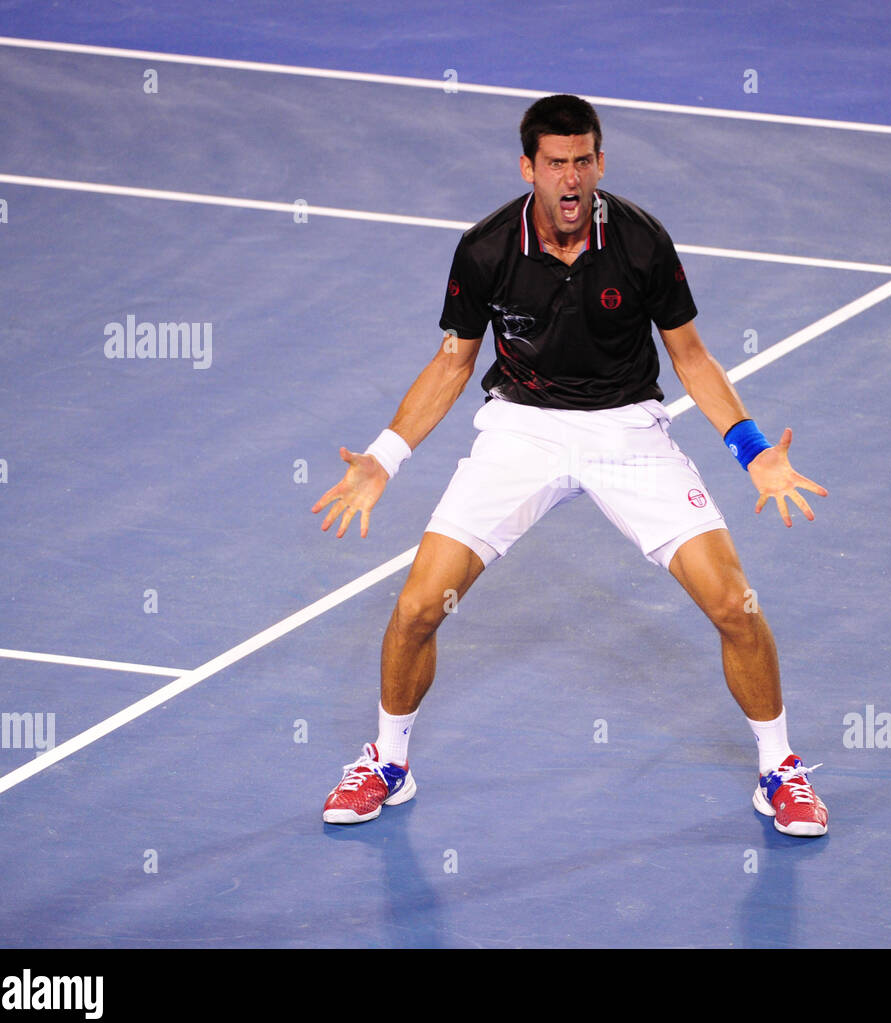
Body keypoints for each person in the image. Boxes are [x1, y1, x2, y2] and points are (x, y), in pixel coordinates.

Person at [313, 94, 829, 837]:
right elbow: (454, 362)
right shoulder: (486, 249)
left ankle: (779, 768)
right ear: (529, 168)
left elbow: (689, 355)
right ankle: (387, 761)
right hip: (521, 429)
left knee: (733, 603)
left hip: (627, 430)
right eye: (555, 163)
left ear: (600, 163)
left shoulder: (642, 241)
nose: (571, 178)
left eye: (583, 160)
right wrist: (386, 456)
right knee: (420, 606)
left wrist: (751, 450)